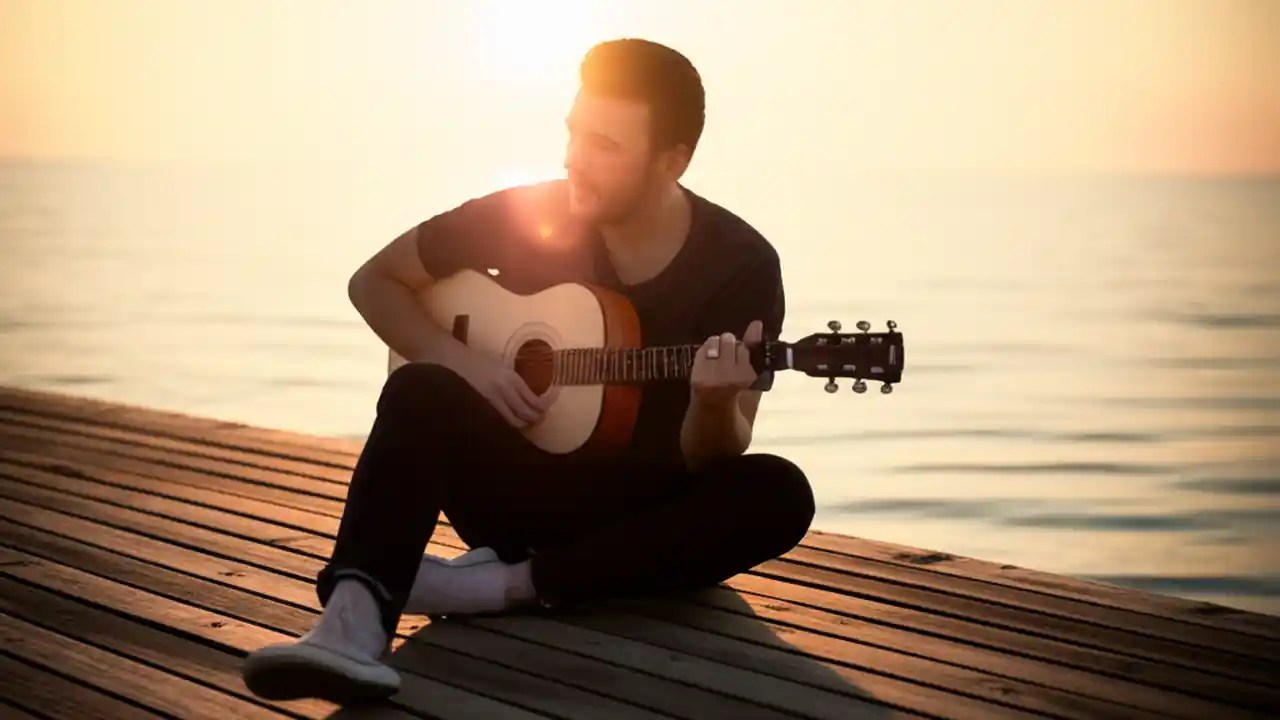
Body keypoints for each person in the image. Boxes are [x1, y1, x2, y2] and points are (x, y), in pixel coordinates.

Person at [241, 37, 815, 705]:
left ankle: (494, 586)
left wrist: (714, 404)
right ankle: (350, 623)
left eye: (606, 145)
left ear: (672, 161)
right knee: (420, 385)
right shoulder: (530, 215)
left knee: (778, 492)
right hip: (517, 496)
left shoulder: (740, 263)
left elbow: (716, 455)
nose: (576, 159)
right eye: (575, 134)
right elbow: (376, 282)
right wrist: (465, 366)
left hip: (637, 516)